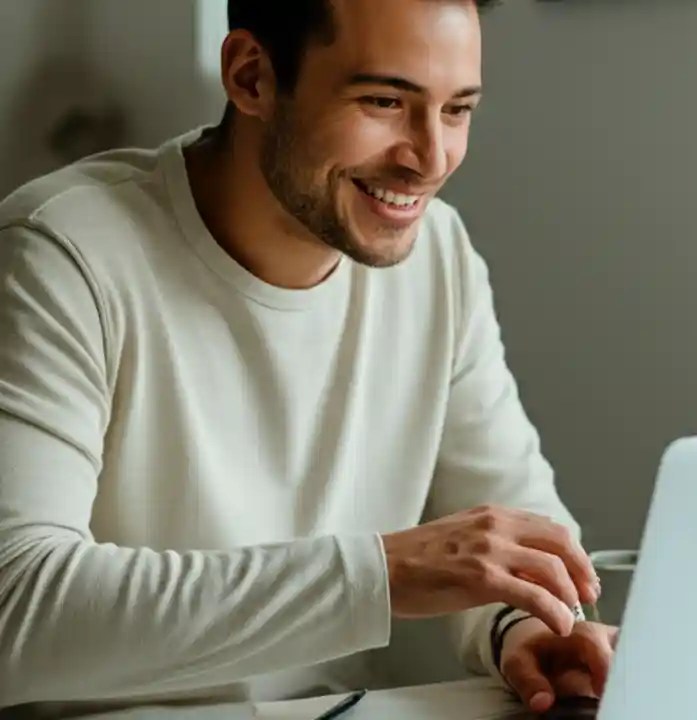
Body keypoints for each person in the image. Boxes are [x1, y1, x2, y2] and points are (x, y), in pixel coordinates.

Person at [0, 0, 615, 715]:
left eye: (457, 110)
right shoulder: (62, 254)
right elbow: (16, 609)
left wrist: (527, 627)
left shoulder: (437, 257)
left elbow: (512, 518)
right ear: (252, 76)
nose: (430, 157)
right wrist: (381, 574)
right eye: (385, 101)